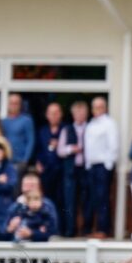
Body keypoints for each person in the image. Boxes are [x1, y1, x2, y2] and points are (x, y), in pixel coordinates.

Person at [83, 96, 119, 236]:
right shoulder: (91, 124)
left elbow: (113, 145)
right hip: (91, 166)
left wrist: (108, 165)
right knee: (91, 198)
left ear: (105, 108)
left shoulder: (109, 123)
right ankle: (90, 229)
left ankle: (103, 229)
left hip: (103, 166)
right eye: (95, 107)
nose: (97, 109)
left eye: (100, 107)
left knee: (102, 198)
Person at [56, 99, 88, 237]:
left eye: (82, 113)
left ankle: (85, 230)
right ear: (73, 115)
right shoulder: (67, 129)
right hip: (70, 170)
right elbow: (60, 150)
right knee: (70, 201)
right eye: (77, 113)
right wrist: (71, 149)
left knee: (87, 200)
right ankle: (70, 230)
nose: (80, 116)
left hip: (86, 169)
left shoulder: (91, 128)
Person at [36, 102, 65, 222]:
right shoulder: (42, 131)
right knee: (47, 199)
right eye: (51, 113)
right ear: (47, 115)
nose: (54, 116)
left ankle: (61, 228)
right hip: (46, 171)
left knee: (61, 200)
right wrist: (38, 162)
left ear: (61, 114)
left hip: (62, 171)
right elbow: (38, 149)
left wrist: (60, 145)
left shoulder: (66, 129)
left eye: (56, 113)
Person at [1, 94, 34, 182]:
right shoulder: (3, 122)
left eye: (16, 103)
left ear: (20, 105)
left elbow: (31, 140)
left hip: (20, 161)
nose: (13, 106)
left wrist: (25, 159)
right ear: (8, 105)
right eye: (11, 103)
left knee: (17, 186)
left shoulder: (26, 120)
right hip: (6, 160)